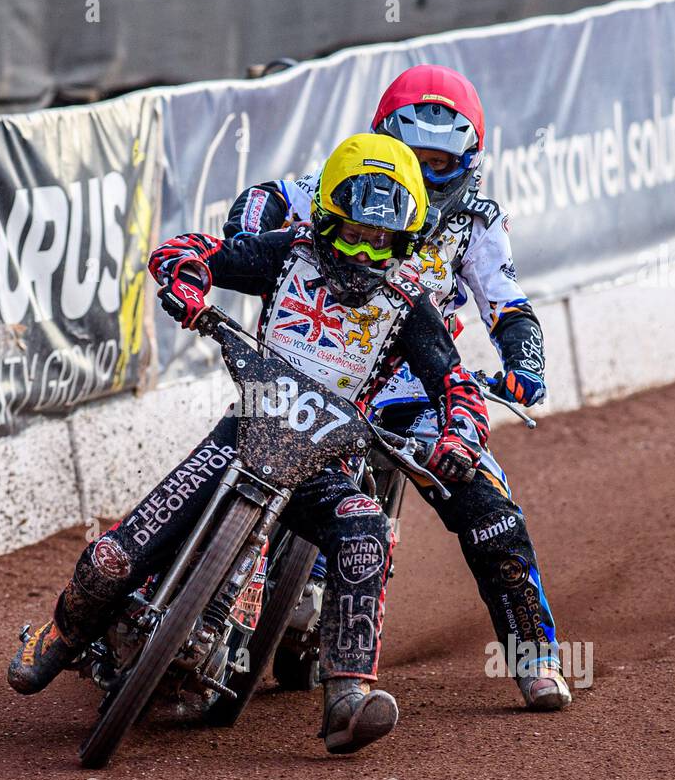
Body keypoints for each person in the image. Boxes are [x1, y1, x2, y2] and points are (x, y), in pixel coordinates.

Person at [8, 133, 493, 754]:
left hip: (326, 460)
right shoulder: (287, 254)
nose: (366, 251)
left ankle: (347, 695)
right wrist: (186, 281)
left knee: (366, 526)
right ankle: (58, 636)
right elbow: (192, 251)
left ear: (404, 243)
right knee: (113, 558)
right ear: (325, 221)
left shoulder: (408, 307)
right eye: (353, 233)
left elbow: (456, 385)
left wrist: (460, 436)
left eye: (383, 240)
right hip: (245, 434)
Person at [224, 65, 571, 710]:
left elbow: (509, 303)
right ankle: (166, 600)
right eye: (414, 154)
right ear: (383, 138)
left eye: (442, 161)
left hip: (418, 388)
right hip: (316, 371)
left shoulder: (476, 220)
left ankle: (534, 655)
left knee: (484, 501)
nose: (424, 172)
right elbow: (264, 198)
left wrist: (525, 366)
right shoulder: (346, 181)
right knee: (229, 462)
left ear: (469, 160)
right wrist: (246, 243)